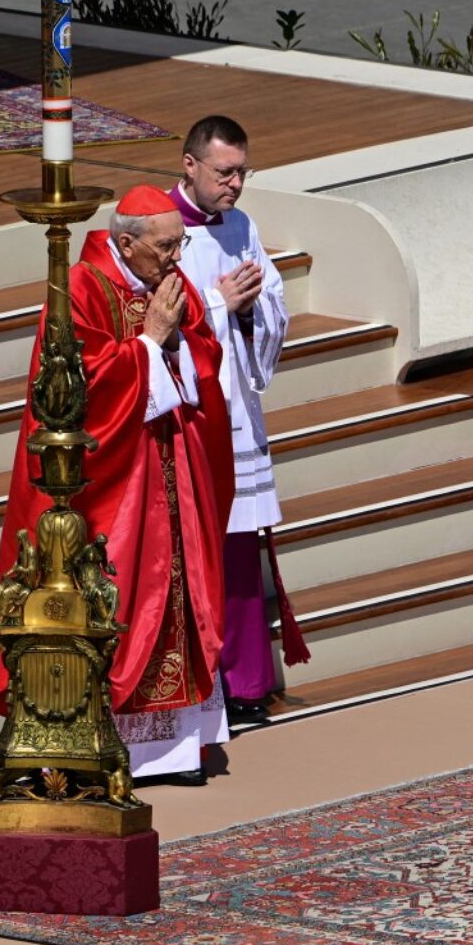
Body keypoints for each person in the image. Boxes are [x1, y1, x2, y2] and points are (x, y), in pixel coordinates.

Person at [0, 184, 234, 785]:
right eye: (166, 246)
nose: (176, 257)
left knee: (179, 590)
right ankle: (92, 743)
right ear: (126, 242)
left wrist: (178, 340)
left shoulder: (167, 279)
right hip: (112, 486)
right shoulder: (80, 288)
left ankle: (176, 750)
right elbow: (75, 389)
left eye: (180, 243)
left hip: (171, 466)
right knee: (119, 596)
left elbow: (203, 350)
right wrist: (149, 342)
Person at [168, 115, 306, 727]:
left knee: (241, 546)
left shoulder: (242, 226)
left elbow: (272, 301)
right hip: (188, 410)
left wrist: (248, 312)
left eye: (243, 172)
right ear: (190, 164)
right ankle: (202, 686)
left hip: (237, 409)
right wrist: (220, 305)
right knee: (195, 549)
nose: (235, 185)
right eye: (224, 173)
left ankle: (246, 682)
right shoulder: (158, 227)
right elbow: (153, 317)